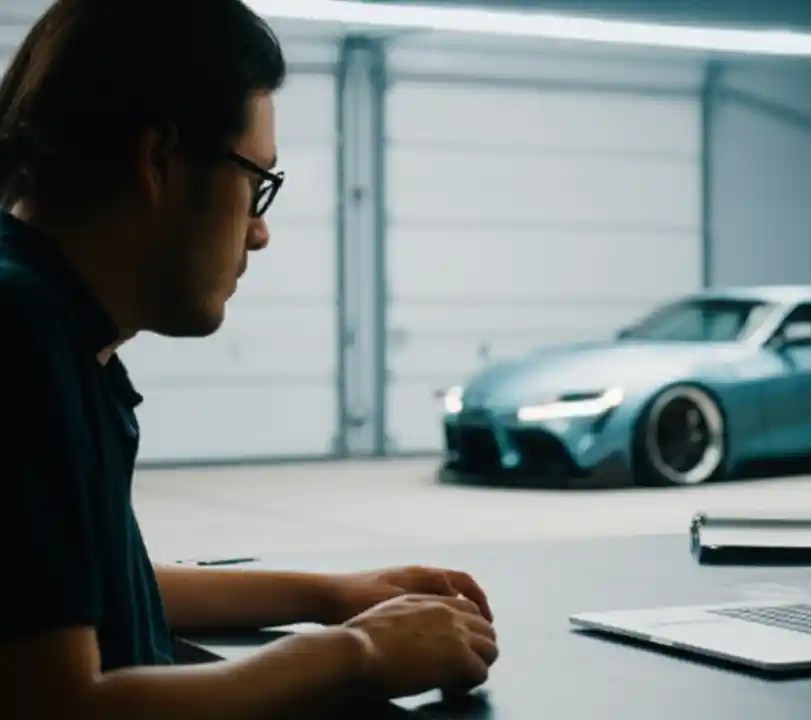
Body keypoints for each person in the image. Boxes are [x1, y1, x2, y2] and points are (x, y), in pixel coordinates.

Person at [0, 0, 498, 716]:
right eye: (254, 182)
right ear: (159, 160)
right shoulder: (21, 336)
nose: (259, 234)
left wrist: (331, 596)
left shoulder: (55, 323)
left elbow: (83, 593)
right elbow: (56, 701)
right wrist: (353, 654)